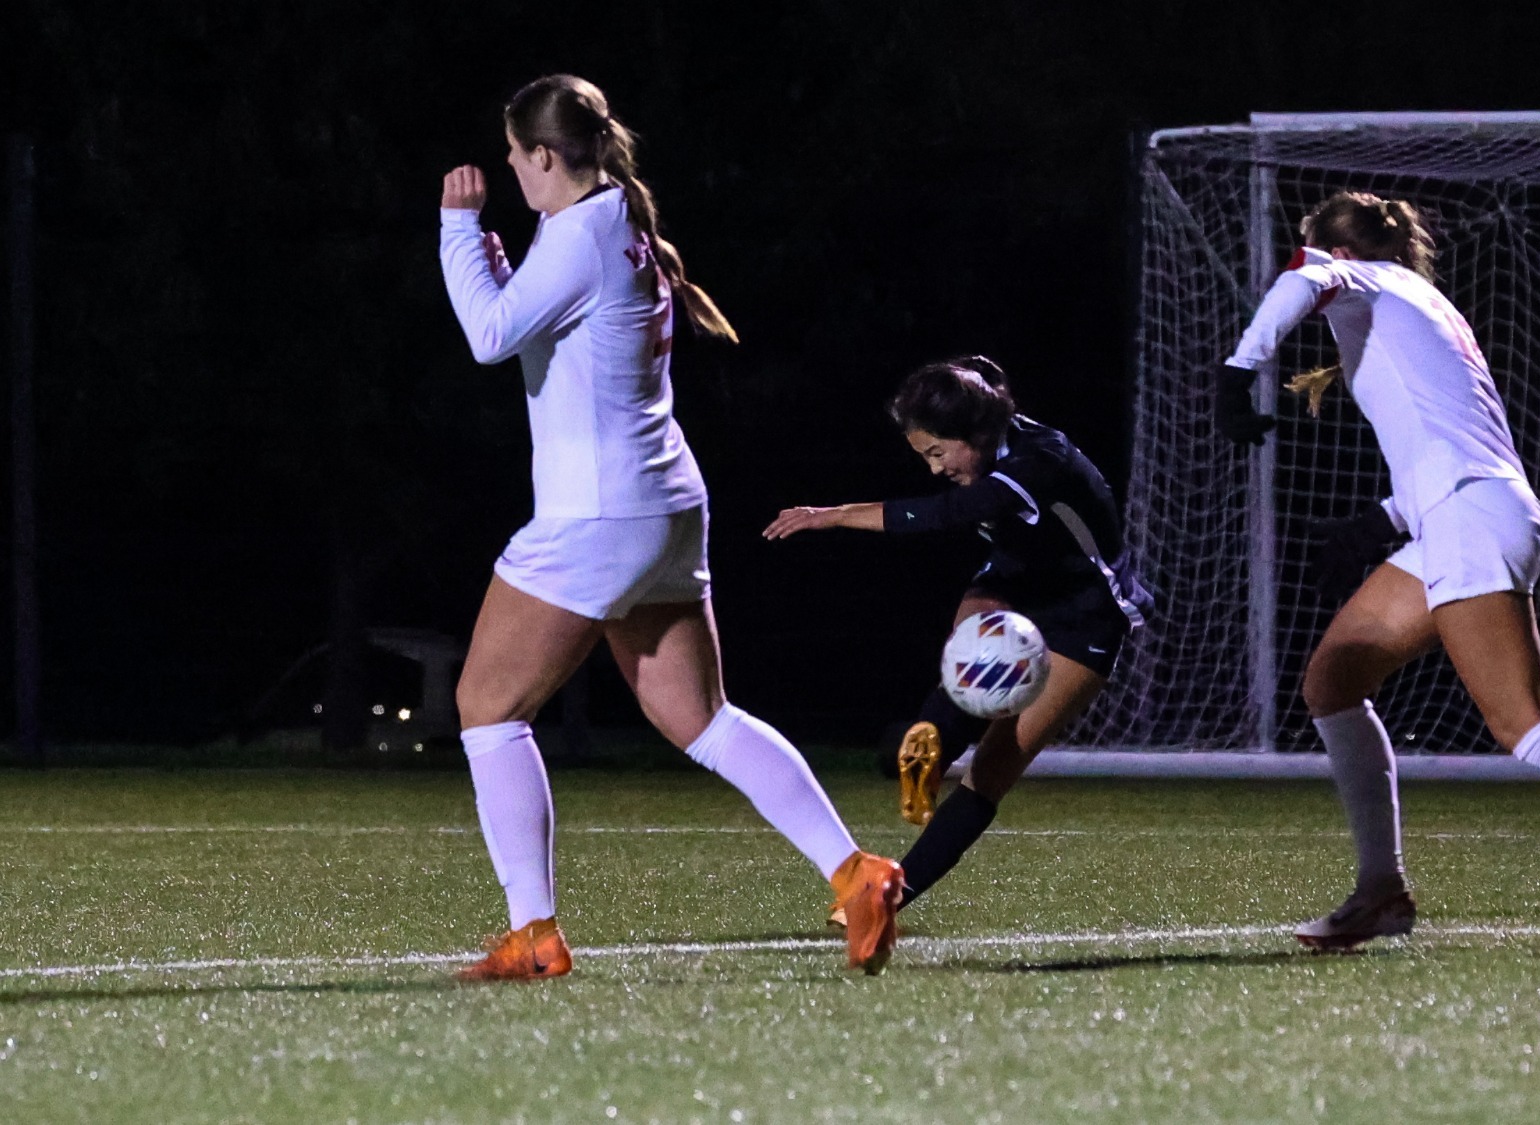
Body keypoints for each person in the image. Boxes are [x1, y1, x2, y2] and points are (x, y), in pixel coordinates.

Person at [437, 74, 902, 978]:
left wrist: (459, 232)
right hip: (662, 507)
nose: (504, 167)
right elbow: (545, 326)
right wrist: (497, 262)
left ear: (541, 156)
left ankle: (533, 935)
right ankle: (857, 875)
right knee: (701, 719)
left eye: (512, 152)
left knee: (487, 710)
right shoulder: (609, 220)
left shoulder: (578, 236)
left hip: (596, 514)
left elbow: (490, 337)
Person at [1214, 190, 1540, 953]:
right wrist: (1378, 523)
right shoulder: (1422, 301)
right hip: (1460, 512)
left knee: (1524, 720)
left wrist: (1237, 370)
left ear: (1338, 250)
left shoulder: (1363, 280)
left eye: (1317, 248)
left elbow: (1301, 279)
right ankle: (1381, 890)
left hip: (1470, 518)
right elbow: (1447, 434)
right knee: (1332, 681)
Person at [764, 357, 1150, 913]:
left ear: (974, 432)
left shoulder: (1039, 462)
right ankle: (932, 743)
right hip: (1016, 579)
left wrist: (834, 515)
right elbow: (977, 369)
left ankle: (890, 893)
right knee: (972, 639)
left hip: (1087, 611)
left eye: (936, 453)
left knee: (994, 769)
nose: (932, 468)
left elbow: (946, 513)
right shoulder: (987, 428)